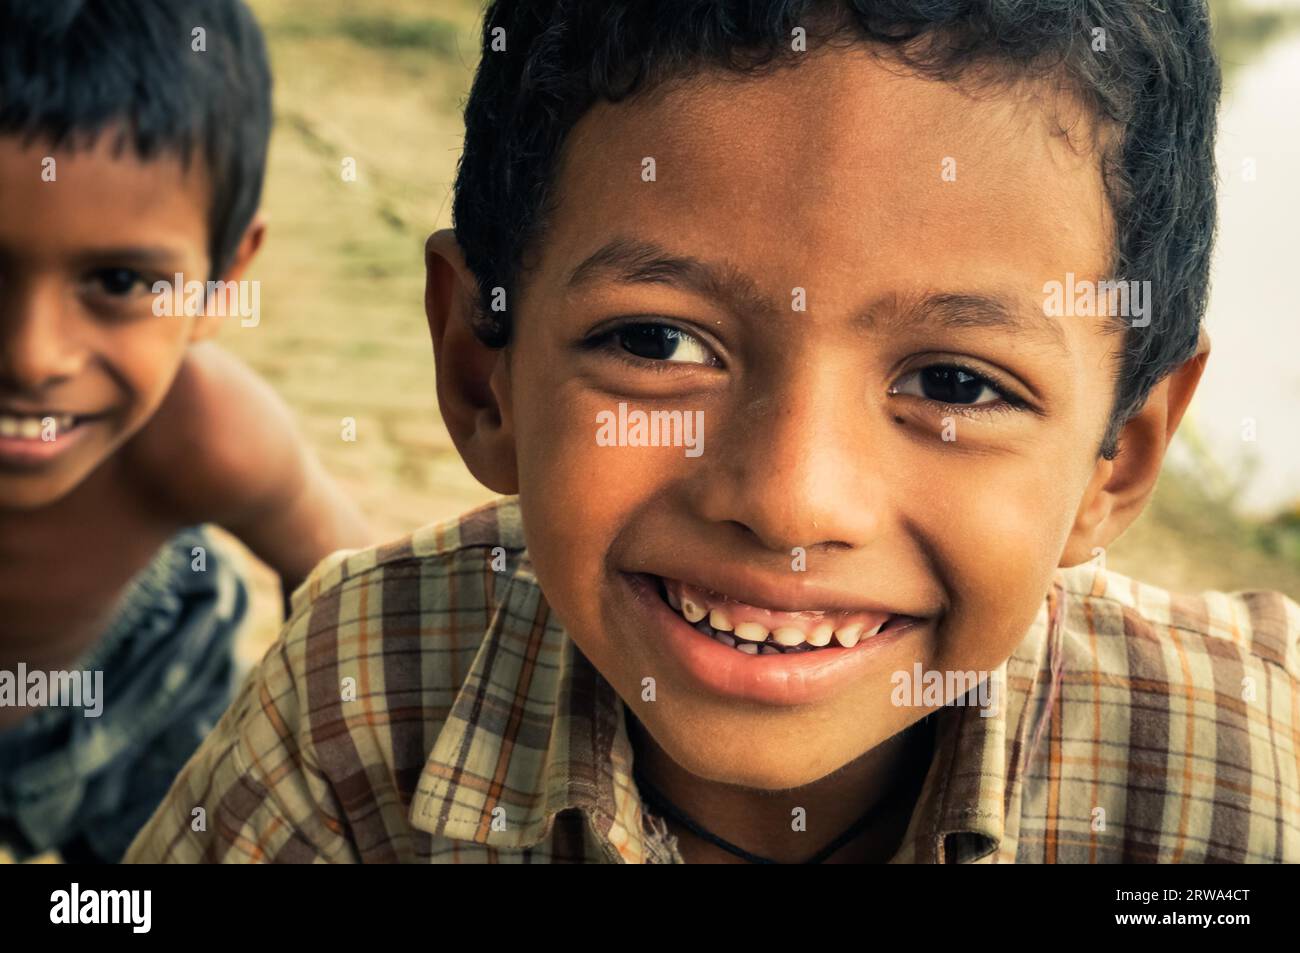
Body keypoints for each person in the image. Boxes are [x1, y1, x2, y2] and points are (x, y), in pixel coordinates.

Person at [128, 0, 1298, 864]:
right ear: (480, 371)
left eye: (953, 379)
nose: (789, 500)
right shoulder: (365, 699)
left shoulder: (1248, 769)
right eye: (655, 345)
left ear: (1120, 454)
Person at [0, 0, 371, 863]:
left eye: (120, 280)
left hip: (139, 696)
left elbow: (356, 594)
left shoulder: (209, 433)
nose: (32, 355)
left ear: (220, 280)